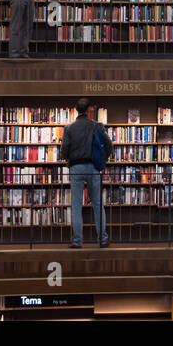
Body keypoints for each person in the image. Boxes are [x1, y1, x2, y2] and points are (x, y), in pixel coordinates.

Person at [61, 97, 111, 248]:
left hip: (76, 167)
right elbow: (109, 146)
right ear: (90, 110)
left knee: (76, 205)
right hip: (94, 167)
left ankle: (77, 241)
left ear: (76, 109)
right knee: (97, 203)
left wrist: (68, 158)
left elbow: (64, 151)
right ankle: (102, 239)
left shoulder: (69, 128)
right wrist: (102, 160)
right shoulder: (97, 126)